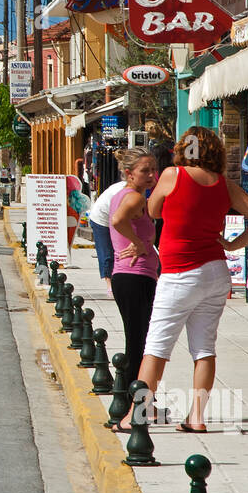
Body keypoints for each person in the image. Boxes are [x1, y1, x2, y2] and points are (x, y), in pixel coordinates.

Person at [137, 127, 248, 432]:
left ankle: (137, 415)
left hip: (179, 273)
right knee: (203, 348)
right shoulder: (226, 185)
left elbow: (153, 210)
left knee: (157, 347)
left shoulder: (173, 175)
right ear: (215, 152)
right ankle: (196, 417)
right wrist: (234, 244)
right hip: (215, 271)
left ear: (185, 149)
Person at [106, 148, 159, 430]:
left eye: (154, 169)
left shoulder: (121, 195)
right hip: (134, 277)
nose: (151, 175)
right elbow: (116, 222)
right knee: (139, 344)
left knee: (138, 341)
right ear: (129, 173)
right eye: (145, 171)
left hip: (130, 278)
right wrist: (138, 244)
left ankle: (138, 404)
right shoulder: (134, 197)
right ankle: (133, 408)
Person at [88, 174, 129, 298]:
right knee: (106, 253)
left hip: (115, 218)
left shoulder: (138, 190)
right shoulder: (121, 192)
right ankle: (110, 285)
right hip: (101, 219)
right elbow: (118, 219)